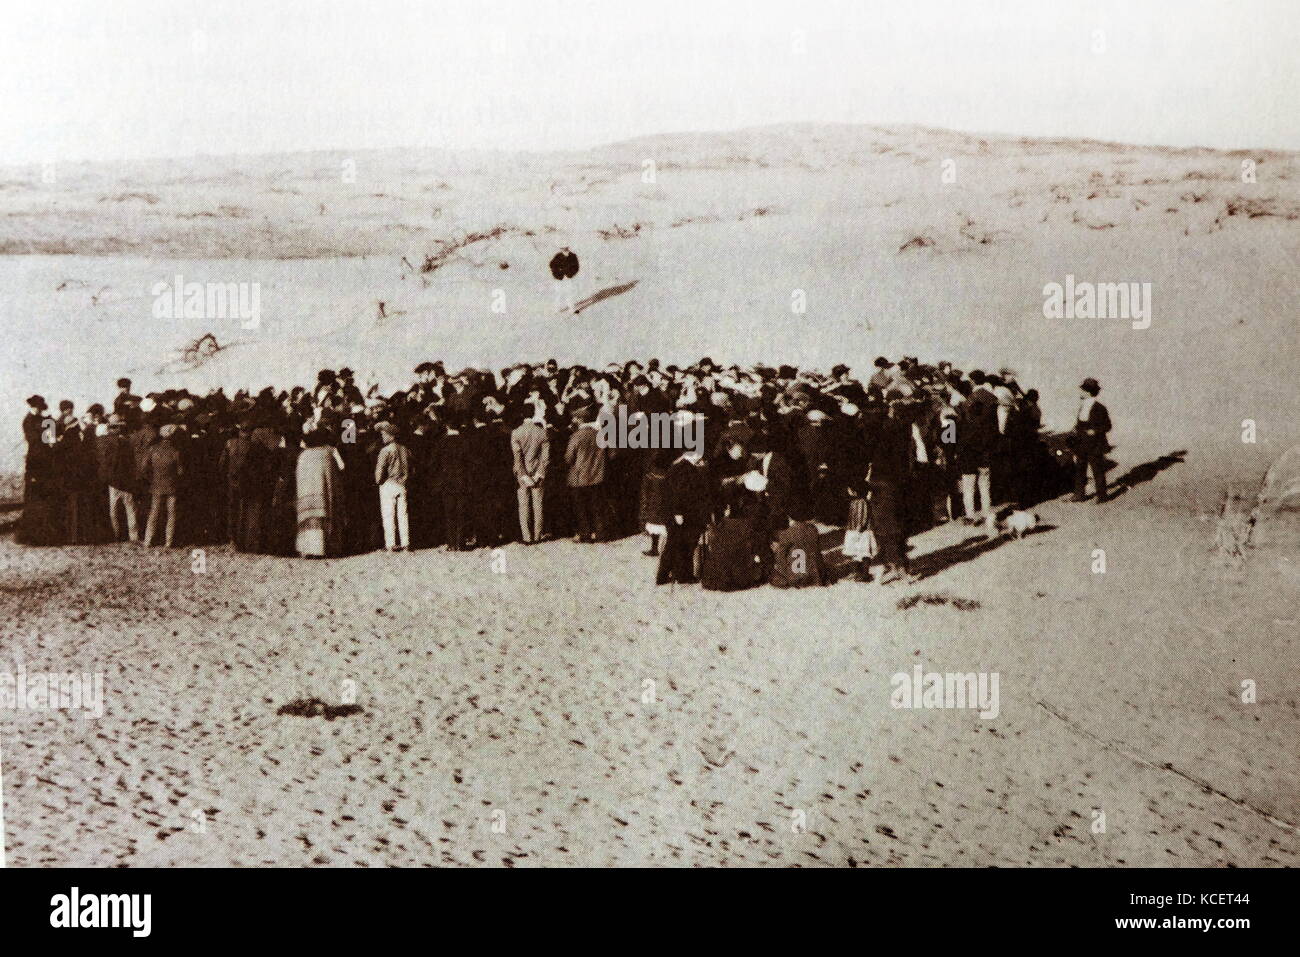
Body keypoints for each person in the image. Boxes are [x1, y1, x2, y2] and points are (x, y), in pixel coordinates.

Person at [295, 428, 346, 557]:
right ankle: (325, 549)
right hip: (323, 493)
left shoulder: (303, 455)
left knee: (308, 521)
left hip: (305, 495)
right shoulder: (328, 453)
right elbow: (341, 468)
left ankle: (307, 549)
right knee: (324, 521)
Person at [565, 405, 608, 543]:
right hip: (597, 476)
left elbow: (568, 458)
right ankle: (600, 534)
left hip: (579, 478)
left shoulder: (576, 436)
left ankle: (585, 534)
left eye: (574, 418)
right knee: (597, 507)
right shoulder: (600, 435)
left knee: (581, 508)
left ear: (580, 420)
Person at [511, 402, 549, 544]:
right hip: (537, 471)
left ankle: (527, 537)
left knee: (523, 505)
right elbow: (545, 457)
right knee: (538, 504)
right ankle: (537, 535)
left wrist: (524, 475)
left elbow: (517, 457)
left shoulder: (516, 433)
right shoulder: (541, 432)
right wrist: (539, 473)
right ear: (533, 413)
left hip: (522, 474)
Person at [141, 424, 184, 547]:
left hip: (156, 485)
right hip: (171, 486)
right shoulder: (175, 452)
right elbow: (181, 471)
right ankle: (168, 542)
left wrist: (151, 478)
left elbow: (144, 468)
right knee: (171, 514)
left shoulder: (152, 449)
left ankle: (148, 540)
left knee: (154, 513)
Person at [1070, 378, 1111, 502]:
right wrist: (1075, 428)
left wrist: (1095, 431)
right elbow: (1081, 422)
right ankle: (1079, 495)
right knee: (1080, 468)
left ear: (1088, 392)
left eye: (1082, 390)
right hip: (1081, 441)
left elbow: (1107, 426)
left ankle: (1102, 496)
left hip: (1094, 443)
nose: (1080, 392)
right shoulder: (1083, 405)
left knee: (1097, 469)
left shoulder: (1100, 408)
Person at [374, 421, 411, 551]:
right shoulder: (405, 449)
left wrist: (378, 481)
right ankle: (405, 543)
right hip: (402, 484)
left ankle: (390, 543)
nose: (383, 437)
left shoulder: (385, 451)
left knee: (388, 514)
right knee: (403, 515)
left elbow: (380, 470)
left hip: (388, 484)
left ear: (392, 436)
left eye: (385, 434)